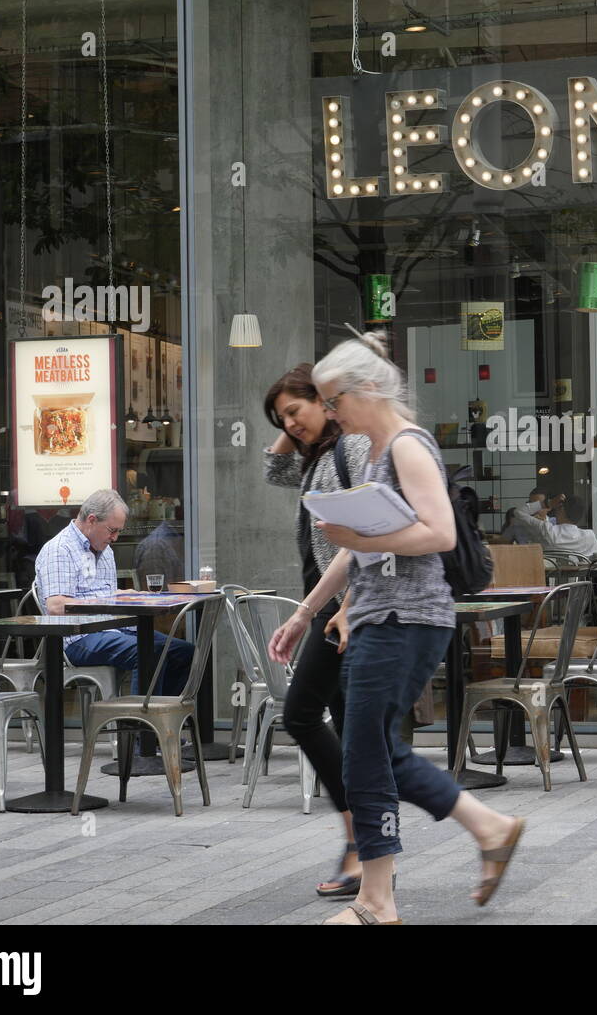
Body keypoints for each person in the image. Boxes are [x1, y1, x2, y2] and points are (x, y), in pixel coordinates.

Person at [267, 330, 523, 926]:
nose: (331, 413)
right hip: (383, 616)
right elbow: (351, 552)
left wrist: (359, 540)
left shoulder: (407, 447)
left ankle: (377, 902)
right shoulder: (382, 452)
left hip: (406, 620)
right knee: (374, 749)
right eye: (325, 402)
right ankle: (489, 829)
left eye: (335, 401)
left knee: (364, 753)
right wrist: (308, 611)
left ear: (368, 391)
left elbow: (439, 535)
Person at [263, 363, 371, 899]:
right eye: (280, 416)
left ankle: (361, 846)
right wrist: (296, 416)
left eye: (294, 410)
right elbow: (272, 466)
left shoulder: (351, 449)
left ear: (324, 401)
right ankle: (364, 849)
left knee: (304, 714)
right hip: (328, 605)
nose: (288, 424)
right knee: (350, 730)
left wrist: (343, 605)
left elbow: (368, 534)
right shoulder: (314, 459)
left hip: (348, 607)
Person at [35, 489, 192, 696]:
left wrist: (125, 595)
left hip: (113, 629)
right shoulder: (59, 549)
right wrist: (107, 601)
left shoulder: (105, 549)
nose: (115, 537)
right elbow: (56, 606)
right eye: (112, 530)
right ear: (91, 520)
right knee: (150, 652)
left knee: (185, 653)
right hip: (77, 637)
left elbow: (99, 593)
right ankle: (140, 724)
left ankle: (163, 717)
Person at [509, 493, 597, 560]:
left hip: (550, 585)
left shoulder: (547, 529)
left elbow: (518, 512)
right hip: (579, 585)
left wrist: (548, 503)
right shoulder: (589, 536)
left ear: (562, 510)